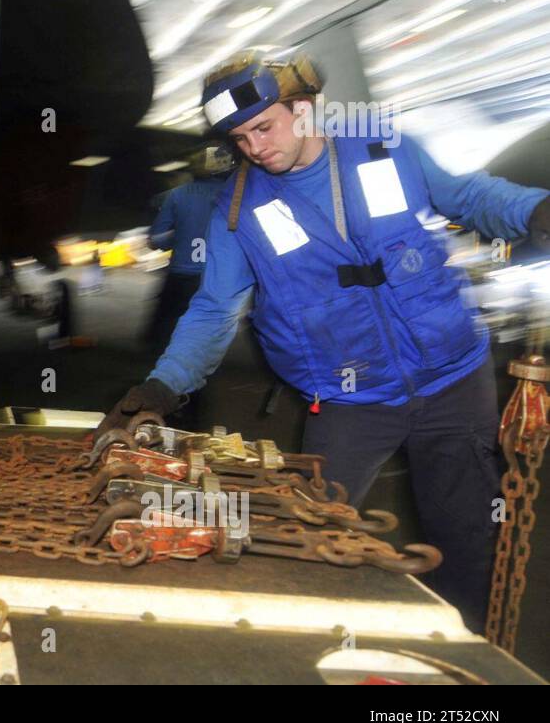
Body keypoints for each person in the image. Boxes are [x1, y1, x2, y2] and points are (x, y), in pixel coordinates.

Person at [99, 50, 550, 629]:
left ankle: (458, 656)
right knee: (301, 533)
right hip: (350, 402)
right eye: (240, 138)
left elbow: (470, 197)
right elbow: (214, 309)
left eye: (264, 127)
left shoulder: (386, 150)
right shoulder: (239, 214)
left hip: (453, 381)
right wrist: (166, 384)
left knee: (468, 539)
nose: (255, 148)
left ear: (304, 109)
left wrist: (533, 209)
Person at [144, 146, 232, 349]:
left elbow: (155, 240)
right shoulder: (233, 197)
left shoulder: (177, 195)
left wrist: (179, 237)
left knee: (164, 333)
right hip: (216, 277)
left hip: (181, 274)